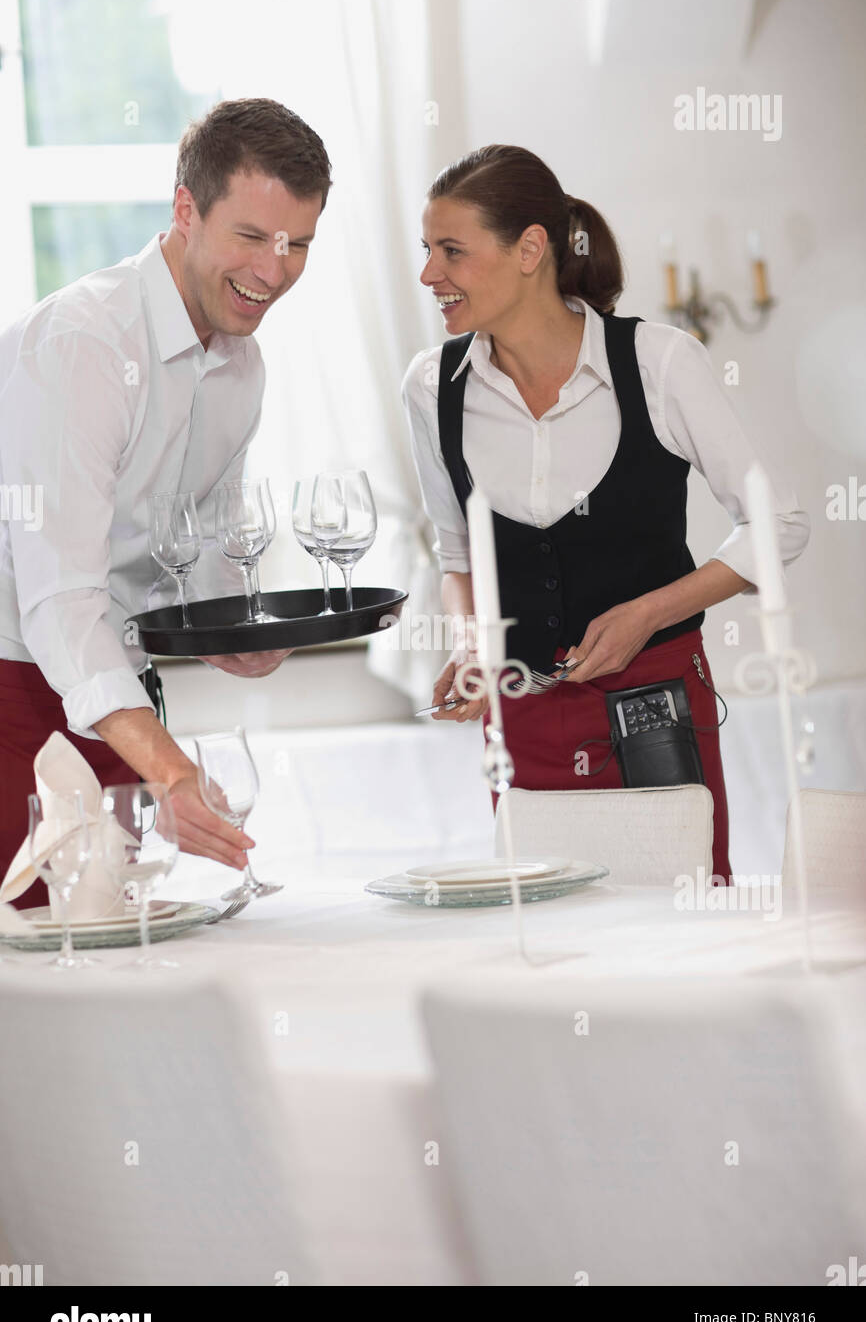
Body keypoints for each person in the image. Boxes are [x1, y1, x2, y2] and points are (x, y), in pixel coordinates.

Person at [401, 144, 809, 880]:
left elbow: (778, 523)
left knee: (679, 925)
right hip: (518, 714)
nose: (430, 274)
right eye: (427, 251)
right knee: (545, 938)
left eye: (451, 251)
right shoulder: (432, 387)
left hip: (656, 709)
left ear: (530, 250)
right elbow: (457, 551)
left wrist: (650, 612)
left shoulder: (661, 363)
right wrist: (470, 646)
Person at [0, 98, 331, 907]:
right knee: (33, 971)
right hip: (16, 694)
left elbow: (202, 547)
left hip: (119, 695)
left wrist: (235, 629)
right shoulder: (85, 344)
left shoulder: (242, 366)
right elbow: (61, 604)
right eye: (251, 237)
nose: (274, 270)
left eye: (298, 245)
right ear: (186, 210)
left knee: (118, 957)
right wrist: (173, 768)